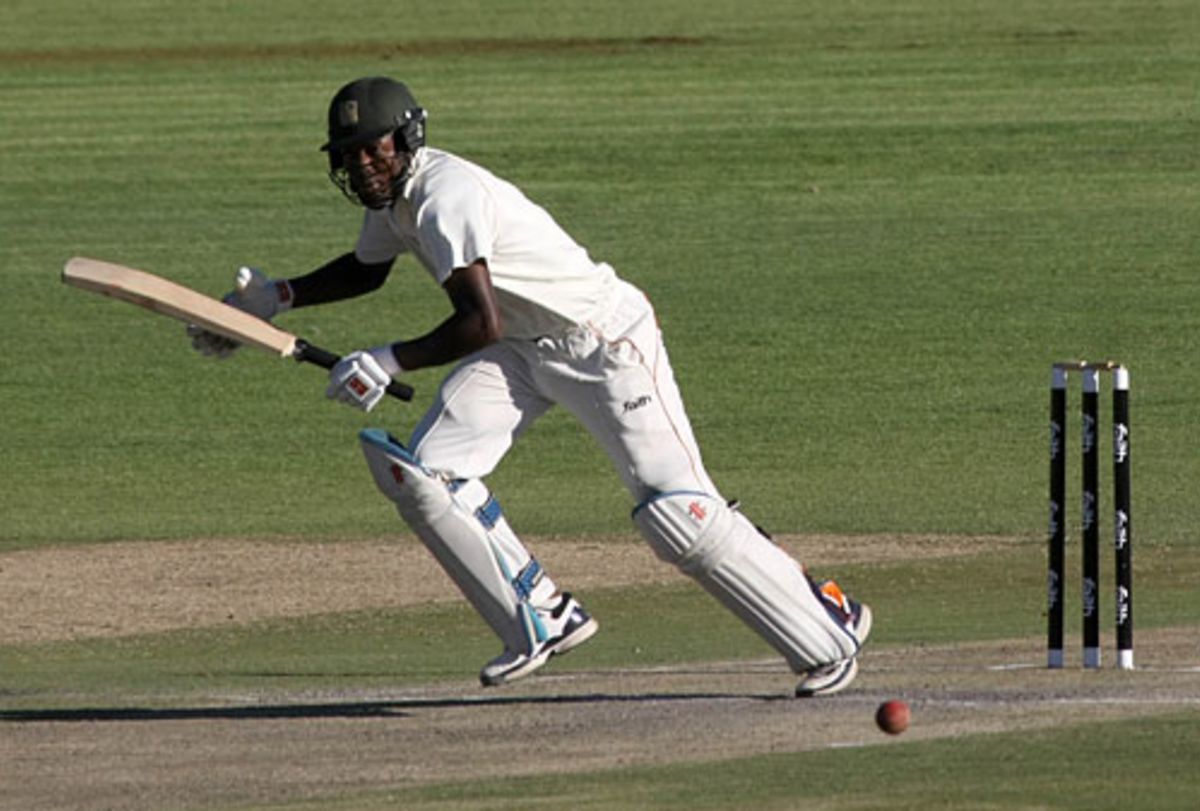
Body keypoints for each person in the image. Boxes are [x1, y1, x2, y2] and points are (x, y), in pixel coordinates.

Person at [191, 77, 871, 696]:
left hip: (603, 344)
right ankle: (540, 613)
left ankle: (825, 629)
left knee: (676, 515)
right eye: (350, 155)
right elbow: (367, 271)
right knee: (426, 473)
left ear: (405, 140)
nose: (363, 165)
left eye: (374, 149)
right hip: (522, 348)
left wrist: (390, 360)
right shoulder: (395, 199)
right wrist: (277, 297)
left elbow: (477, 320)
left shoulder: (443, 197)